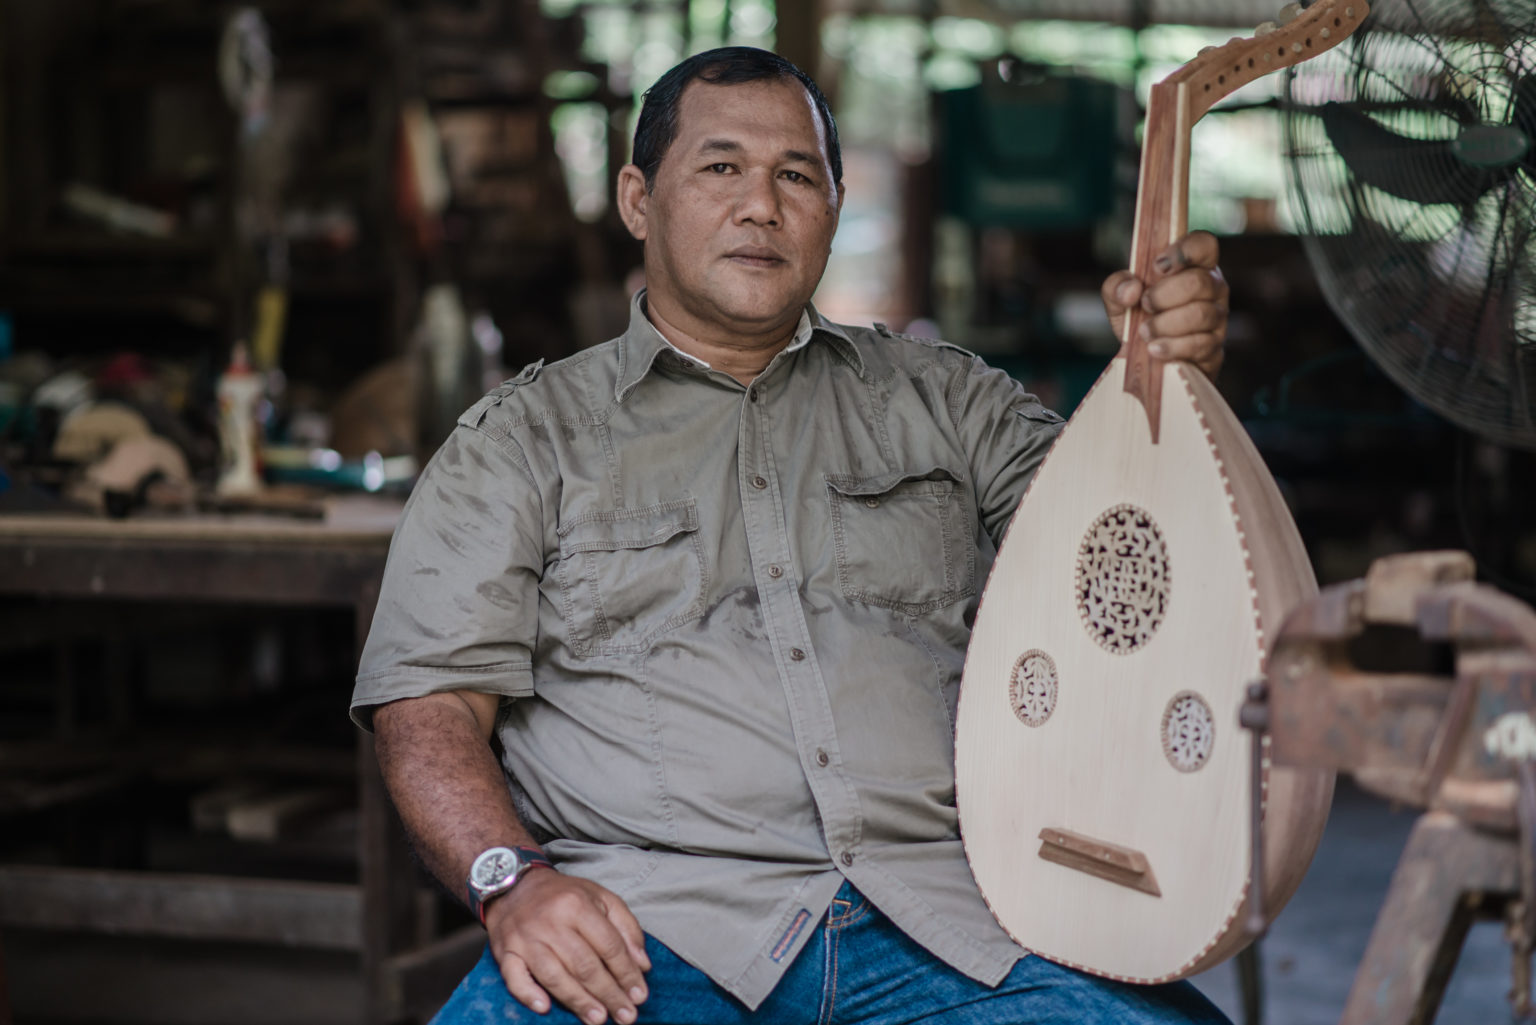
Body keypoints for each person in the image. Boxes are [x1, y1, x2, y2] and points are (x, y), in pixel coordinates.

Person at [353, 46, 1232, 1025]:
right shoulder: (522, 442)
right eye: (721, 167)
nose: (761, 205)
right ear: (639, 200)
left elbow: (1130, 561)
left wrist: (1160, 385)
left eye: (796, 175)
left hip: (958, 918)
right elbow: (427, 708)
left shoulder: (951, 401)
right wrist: (512, 881)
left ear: (834, 205)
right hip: (649, 929)